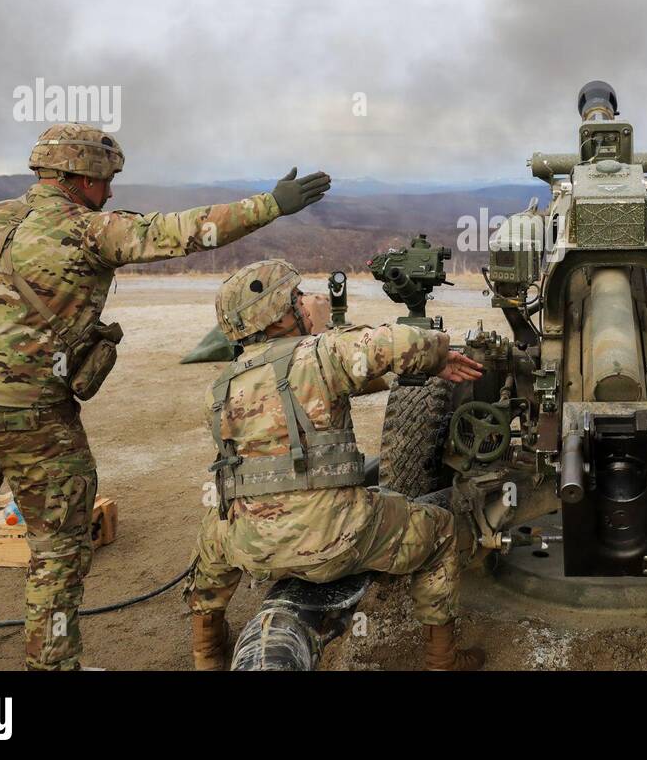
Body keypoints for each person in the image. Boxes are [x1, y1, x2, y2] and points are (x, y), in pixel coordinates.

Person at [0, 123, 330, 670]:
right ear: (82, 179)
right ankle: (51, 666)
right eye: (107, 180)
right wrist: (270, 204)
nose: (111, 192)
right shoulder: (89, 232)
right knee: (58, 550)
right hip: (34, 418)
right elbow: (188, 231)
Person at [183, 259, 487, 671]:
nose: (306, 302)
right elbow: (392, 343)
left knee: (211, 538)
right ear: (277, 317)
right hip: (337, 541)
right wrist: (438, 356)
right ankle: (442, 660)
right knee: (441, 531)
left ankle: (207, 653)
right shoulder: (321, 353)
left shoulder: (219, 389)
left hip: (254, 547)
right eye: (296, 298)